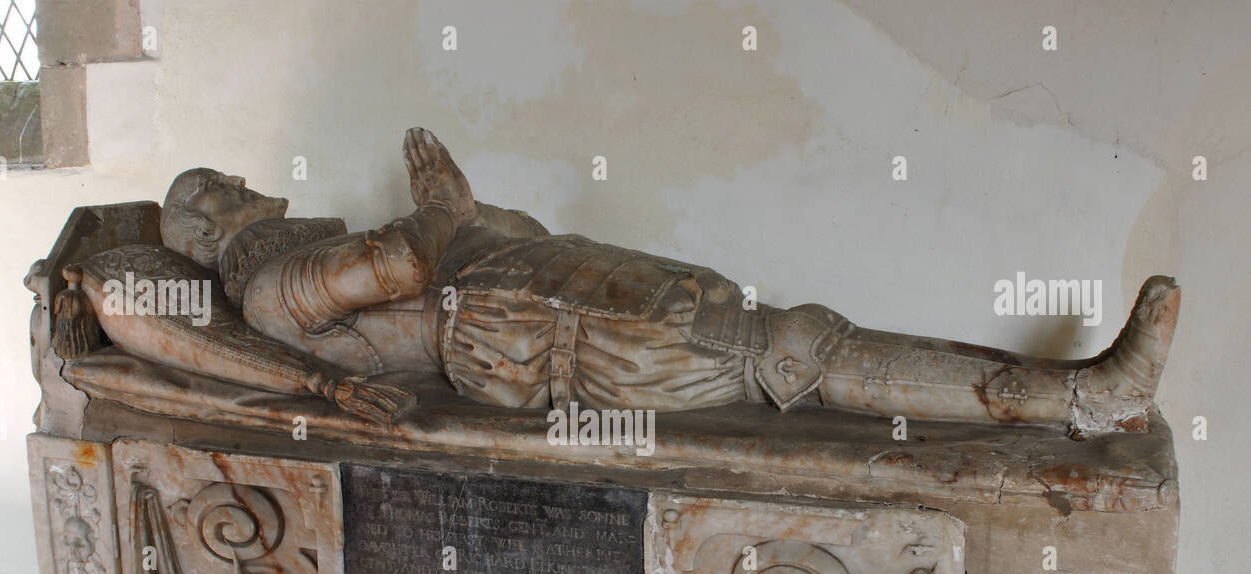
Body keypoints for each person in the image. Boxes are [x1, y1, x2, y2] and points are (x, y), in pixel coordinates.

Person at [154, 128, 1178, 435]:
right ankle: (1086, 397)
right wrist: (446, 209)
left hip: (557, 300)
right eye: (218, 187)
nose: (243, 182)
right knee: (803, 349)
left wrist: (462, 218)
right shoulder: (267, 283)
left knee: (799, 347)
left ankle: (1076, 394)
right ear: (208, 231)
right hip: (559, 330)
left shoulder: (272, 270)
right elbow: (402, 263)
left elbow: (441, 252)